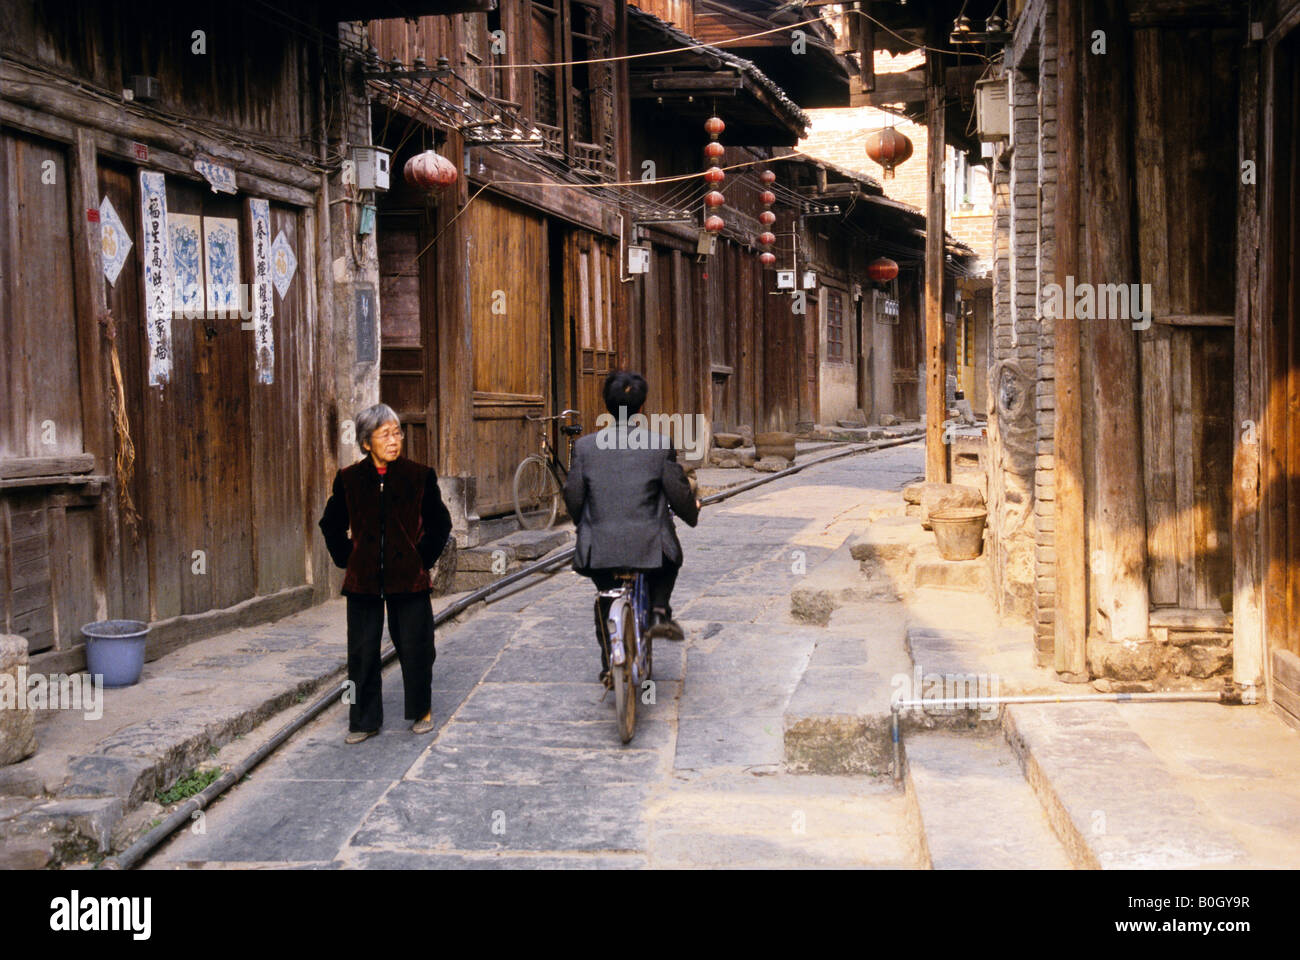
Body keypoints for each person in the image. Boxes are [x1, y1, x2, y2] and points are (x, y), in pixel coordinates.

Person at [318, 403, 453, 744]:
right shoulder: (349, 479)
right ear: (366, 443)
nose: (394, 441)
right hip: (363, 580)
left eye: (397, 433)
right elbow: (330, 524)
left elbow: (441, 524)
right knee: (362, 651)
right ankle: (363, 720)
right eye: (384, 435)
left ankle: (421, 710)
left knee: (417, 646)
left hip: (409, 578)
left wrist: (420, 559)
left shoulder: (419, 476)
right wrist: (349, 557)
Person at [563, 370, 701, 686]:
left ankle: (608, 666)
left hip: (599, 549)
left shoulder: (584, 447)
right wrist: (691, 511)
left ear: (607, 406)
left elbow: (573, 497)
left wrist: (584, 522)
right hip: (649, 547)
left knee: (605, 595)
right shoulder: (658, 445)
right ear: (641, 408)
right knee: (671, 561)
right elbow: (678, 493)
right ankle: (657, 610)